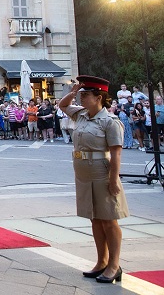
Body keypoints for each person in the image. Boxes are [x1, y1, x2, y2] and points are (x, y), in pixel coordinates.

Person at [59, 76, 128, 284]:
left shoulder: (110, 121)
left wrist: (114, 180)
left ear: (99, 97)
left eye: (85, 95)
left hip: (101, 171)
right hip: (83, 173)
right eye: (80, 94)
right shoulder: (81, 115)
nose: (81, 98)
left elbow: (116, 154)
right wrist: (73, 90)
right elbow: (63, 105)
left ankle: (114, 265)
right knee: (94, 218)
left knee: (108, 219)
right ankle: (101, 261)